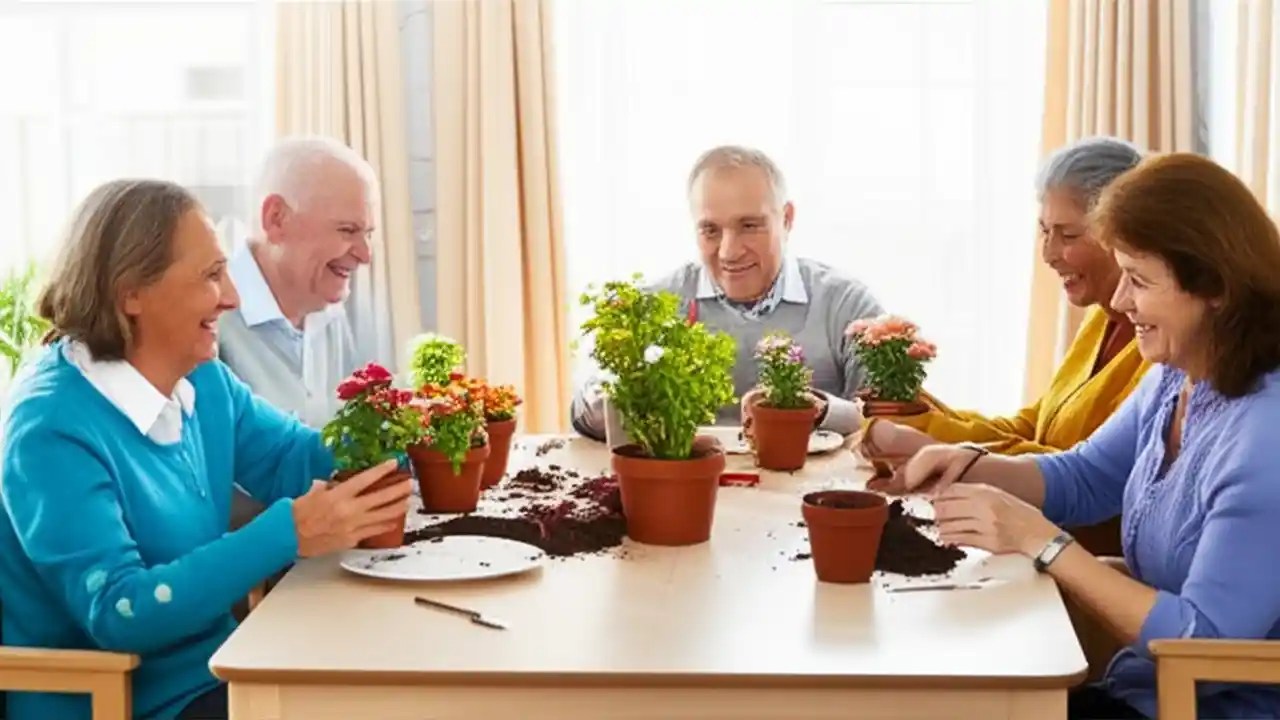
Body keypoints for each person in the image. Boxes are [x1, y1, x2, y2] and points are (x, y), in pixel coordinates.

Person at [879, 154, 1280, 719]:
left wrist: (1043, 542)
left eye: (1138, 280)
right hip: (1138, 692)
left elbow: (1203, 645)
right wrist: (961, 461)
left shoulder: (1266, 436)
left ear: (1213, 284)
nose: (1119, 302)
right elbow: (1086, 476)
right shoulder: (1176, 376)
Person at [0, 179, 409, 720]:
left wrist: (405, 430)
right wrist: (291, 532)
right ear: (131, 293)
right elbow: (120, 611)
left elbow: (293, 459)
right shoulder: (49, 430)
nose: (234, 297)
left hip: (225, 675)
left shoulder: (203, 381)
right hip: (125, 705)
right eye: (211, 276)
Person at [860, 137, 1151, 556]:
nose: (1049, 254)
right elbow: (1035, 427)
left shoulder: (1159, 348)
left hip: (1080, 559)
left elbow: (1078, 471)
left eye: (1068, 234)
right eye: (1044, 231)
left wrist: (939, 445)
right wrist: (928, 417)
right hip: (1034, 547)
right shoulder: (1102, 318)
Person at [570, 145, 883, 440]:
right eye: (710, 230)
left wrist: (821, 409)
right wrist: (608, 401)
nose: (729, 252)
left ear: (786, 219)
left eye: (749, 226)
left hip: (811, 492)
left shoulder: (845, 305)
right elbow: (587, 415)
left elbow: (884, 424)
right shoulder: (654, 305)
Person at [218, 136, 374, 429]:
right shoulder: (211, 320)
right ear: (276, 219)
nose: (365, 255)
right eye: (347, 230)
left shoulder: (331, 309)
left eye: (368, 233)